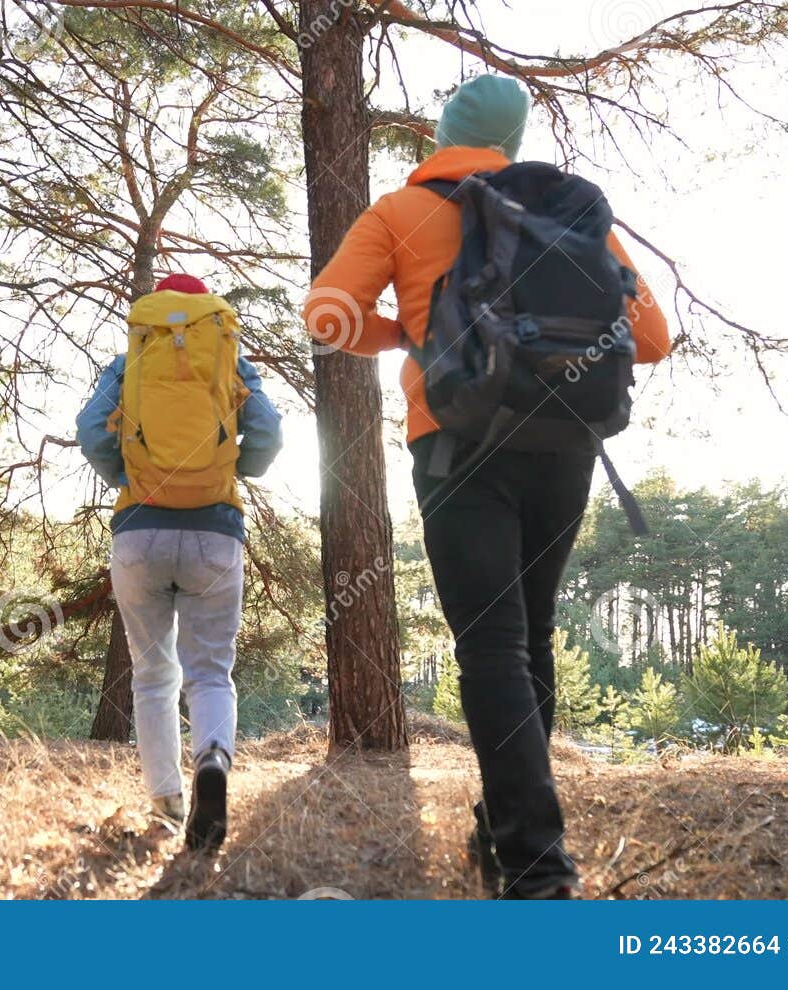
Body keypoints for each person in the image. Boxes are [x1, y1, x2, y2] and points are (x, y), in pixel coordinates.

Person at [302, 75, 672, 898]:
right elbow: (651, 337)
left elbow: (326, 312)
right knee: (530, 637)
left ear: (444, 132)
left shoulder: (402, 210)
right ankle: (503, 832)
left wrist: (413, 333)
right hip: (565, 446)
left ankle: (537, 866)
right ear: (513, 138)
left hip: (457, 446)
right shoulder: (566, 211)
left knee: (490, 646)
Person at [77, 273, 284, 851]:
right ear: (205, 313)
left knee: (153, 675)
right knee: (211, 671)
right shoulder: (229, 359)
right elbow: (267, 436)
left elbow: (91, 430)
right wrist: (232, 475)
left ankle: (167, 803)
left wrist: (128, 478)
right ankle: (213, 760)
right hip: (215, 531)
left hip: (139, 532)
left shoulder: (128, 363)